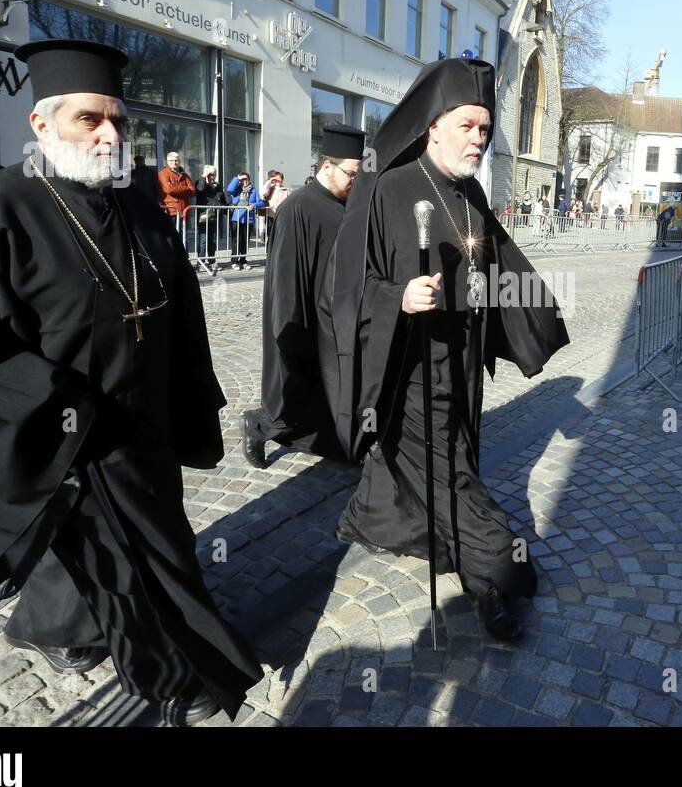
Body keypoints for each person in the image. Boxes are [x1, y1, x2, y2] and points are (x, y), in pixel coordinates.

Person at [0, 39, 261, 725]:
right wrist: (54, 404)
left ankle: (59, 625)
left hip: (144, 419)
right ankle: (176, 675)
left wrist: (185, 391)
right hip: (68, 433)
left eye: (118, 121)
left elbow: (175, 303)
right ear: (42, 125)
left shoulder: (140, 204)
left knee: (149, 538)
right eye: (88, 120)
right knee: (116, 560)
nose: (109, 135)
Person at [325, 57, 570, 643]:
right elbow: (346, 288)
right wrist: (397, 297)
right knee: (451, 471)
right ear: (434, 125)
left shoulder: (469, 190)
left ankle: (416, 533)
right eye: (468, 126)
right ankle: (499, 573)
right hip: (410, 368)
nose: (478, 139)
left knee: (453, 459)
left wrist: (538, 311)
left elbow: (502, 257)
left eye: (485, 129)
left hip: (463, 363)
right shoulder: (389, 188)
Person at [244, 125, 365, 469]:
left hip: (336, 317)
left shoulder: (346, 204)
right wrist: (290, 329)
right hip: (306, 319)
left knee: (332, 390)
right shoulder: (299, 207)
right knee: (292, 392)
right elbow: (285, 280)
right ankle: (258, 425)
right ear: (327, 166)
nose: (356, 181)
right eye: (351, 173)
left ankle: (338, 443)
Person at [158, 152, 197, 255]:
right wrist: (185, 189)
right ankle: (173, 259)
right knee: (172, 236)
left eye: (176, 160)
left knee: (183, 236)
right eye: (172, 161)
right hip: (171, 210)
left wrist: (178, 190)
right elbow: (169, 190)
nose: (174, 162)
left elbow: (193, 190)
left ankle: (185, 258)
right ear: (167, 161)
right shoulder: (163, 173)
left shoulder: (184, 175)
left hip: (184, 209)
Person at [226, 171, 264, 270]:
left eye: (246, 179)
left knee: (244, 242)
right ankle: (234, 261)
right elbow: (229, 189)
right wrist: (237, 178)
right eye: (242, 179)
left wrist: (253, 205)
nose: (244, 181)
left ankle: (243, 261)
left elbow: (261, 203)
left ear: (249, 179)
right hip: (236, 218)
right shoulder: (237, 189)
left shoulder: (254, 190)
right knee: (236, 241)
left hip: (248, 219)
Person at [194, 164, 227, 274]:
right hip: (203, 216)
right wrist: (204, 177)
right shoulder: (200, 182)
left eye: (214, 174)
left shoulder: (217, 186)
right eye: (210, 174)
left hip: (214, 215)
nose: (212, 176)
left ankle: (212, 260)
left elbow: (222, 199)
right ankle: (201, 262)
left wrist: (226, 210)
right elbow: (200, 189)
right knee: (203, 240)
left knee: (212, 240)